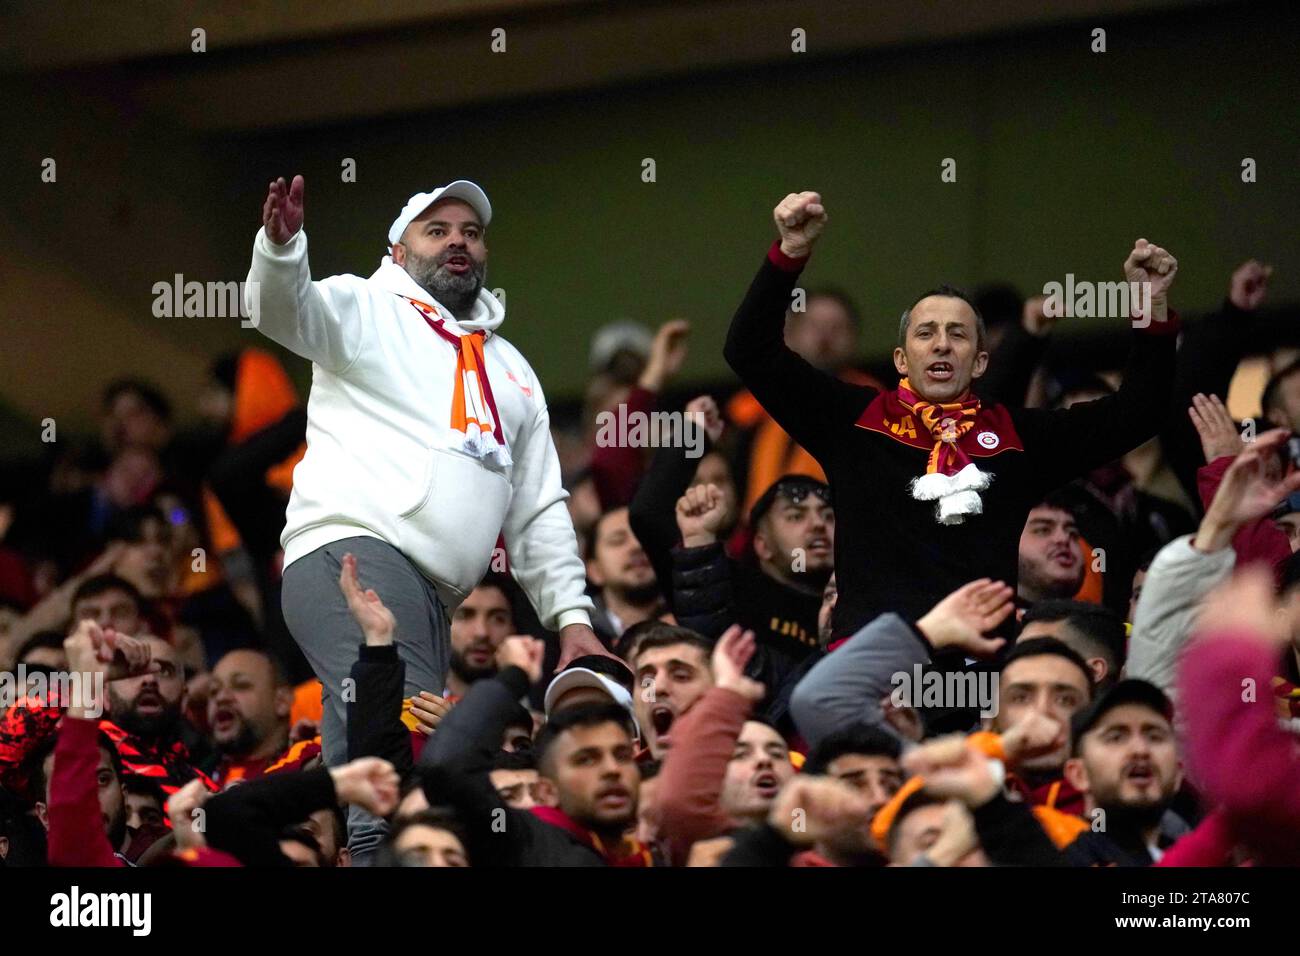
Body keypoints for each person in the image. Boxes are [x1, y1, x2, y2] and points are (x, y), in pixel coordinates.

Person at [248, 175, 607, 788]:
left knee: (366, 772)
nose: (457, 242)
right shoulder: (364, 307)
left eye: (471, 233)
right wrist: (280, 249)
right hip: (356, 560)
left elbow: (538, 509)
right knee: (412, 753)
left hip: (434, 600)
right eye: (436, 231)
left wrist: (573, 618)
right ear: (397, 252)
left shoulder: (513, 369)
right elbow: (285, 311)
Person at [724, 190, 1181, 642]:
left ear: (980, 362)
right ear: (902, 360)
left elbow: (1139, 412)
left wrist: (1153, 308)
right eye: (926, 333)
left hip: (979, 671)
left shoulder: (1019, 436)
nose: (942, 343)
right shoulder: (854, 419)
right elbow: (749, 350)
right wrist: (790, 252)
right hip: (875, 665)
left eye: (957, 334)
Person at [419, 636, 650, 865]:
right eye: (586, 760)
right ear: (546, 791)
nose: (612, 770)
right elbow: (445, 764)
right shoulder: (521, 841)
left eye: (621, 756)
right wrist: (513, 677)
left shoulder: (666, 837)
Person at [1062, 679, 1184, 865]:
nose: (1140, 750)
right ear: (1079, 774)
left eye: (1155, 737)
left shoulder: (1209, 858)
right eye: (1116, 737)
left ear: (1178, 774)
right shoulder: (1055, 854)